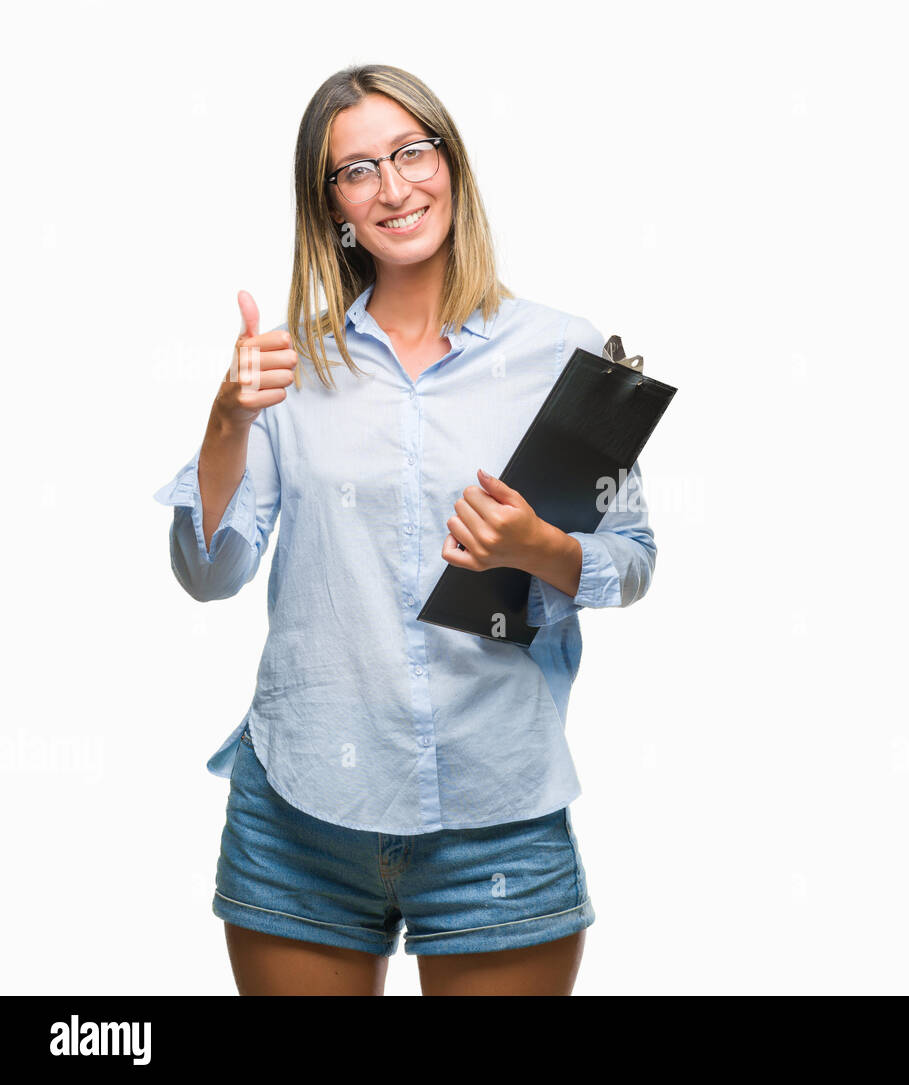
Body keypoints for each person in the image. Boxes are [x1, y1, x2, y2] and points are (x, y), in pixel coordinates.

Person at [152, 64, 657, 996]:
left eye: (412, 152)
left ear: (451, 164)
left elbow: (633, 560)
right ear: (333, 205)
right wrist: (227, 420)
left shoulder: (561, 350)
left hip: (497, 807)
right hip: (302, 812)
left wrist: (532, 548)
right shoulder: (289, 368)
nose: (393, 187)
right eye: (358, 170)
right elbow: (209, 570)